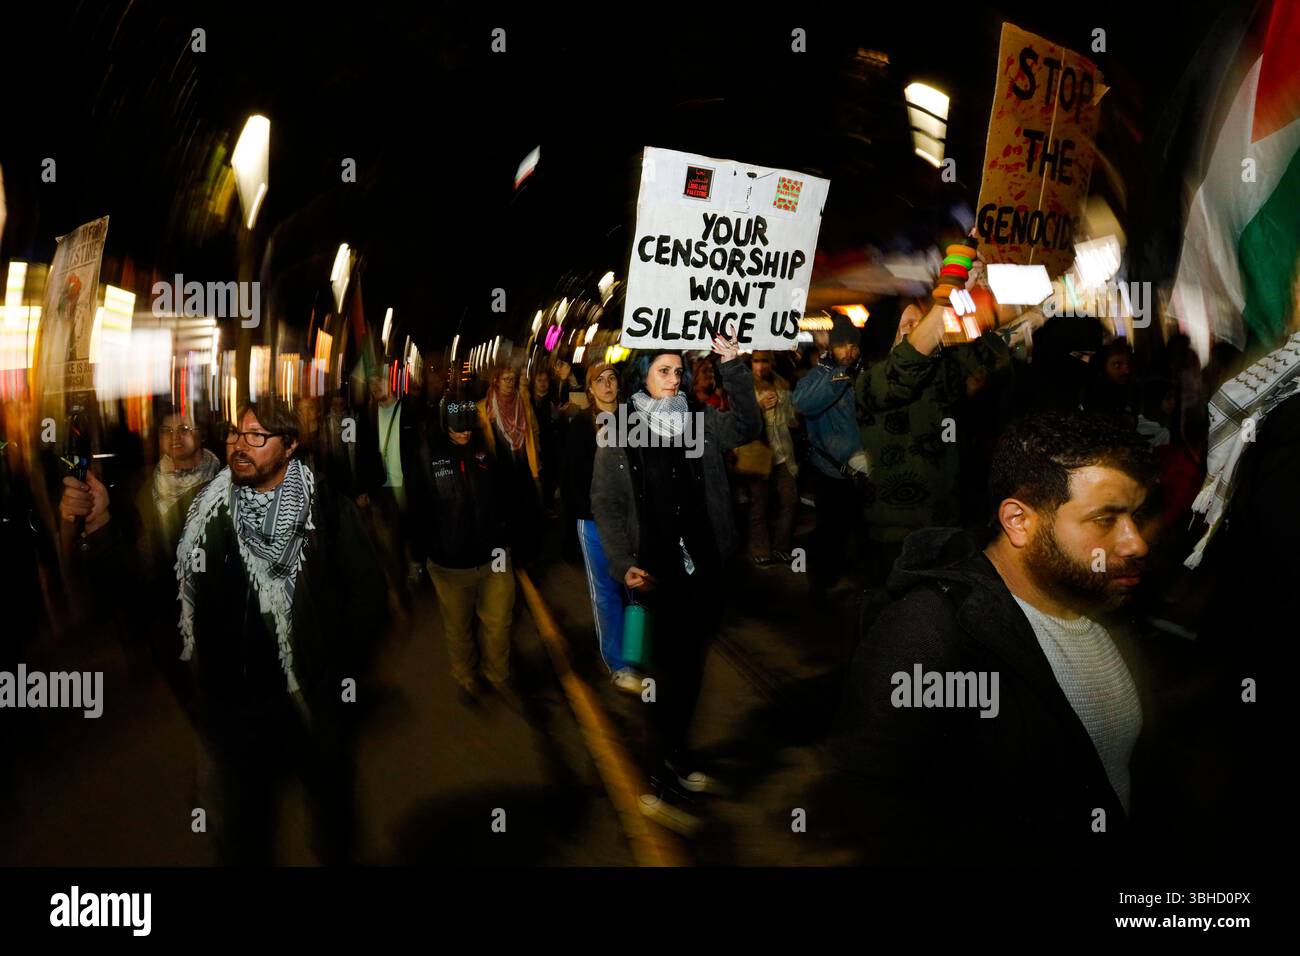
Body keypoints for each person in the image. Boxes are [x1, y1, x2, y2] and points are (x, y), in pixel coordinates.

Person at [830, 411, 1157, 864]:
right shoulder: (929, 632)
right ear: (1018, 521)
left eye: (1136, 516)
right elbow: (880, 807)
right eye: (1105, 519)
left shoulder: (1105, 601)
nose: (1135, 542)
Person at [175, 399, 386, 864]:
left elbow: (367, 599)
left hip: (310, 705)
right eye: (237, 433)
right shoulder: (205, 515)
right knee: (245, 840)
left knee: (333, 825)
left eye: (257, 436)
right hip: (238, 715)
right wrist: (99, 532)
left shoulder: (327, 512)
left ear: (290, 446)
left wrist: (335, 677)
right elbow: (157, 597)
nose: (240, 446)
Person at [590, 334, 761, 834]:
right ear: (641, 376)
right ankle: (655, 781)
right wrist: (622, 562)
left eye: (677, 372)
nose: (672, 379)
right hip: (654, 575)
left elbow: (748, 425)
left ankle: (680, 761)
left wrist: (733, 366)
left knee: (691, 674)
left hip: (702, 571)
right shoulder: (619, 431)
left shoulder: (700, 424)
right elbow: (606, 503)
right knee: (663, 683)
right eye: (662, 371)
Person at [57, 403, 222, 696]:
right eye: (166, 430)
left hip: (215, 630)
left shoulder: (228, 484)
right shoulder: (136, 487)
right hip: (160, 627)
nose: (175, 436)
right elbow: (123, 564)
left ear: (202, 434)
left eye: (184, 428)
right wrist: (98, 522)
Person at [410, 393, 516, 702]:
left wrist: (507, 536)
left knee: (498, 622)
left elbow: (509, 493)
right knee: (458, 627)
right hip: (449, 565)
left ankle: (497, 674)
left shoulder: (488, 448)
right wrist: (421, 555)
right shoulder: (427, 456)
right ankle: (465, 675)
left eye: (468, 425)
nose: (464, 432)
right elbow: (418, 510)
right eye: (457, 426)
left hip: (494, 557)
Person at [560, 361, 640, 691]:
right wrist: (589, 512)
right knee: (606, 592)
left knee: (636, 589)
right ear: (590, 388)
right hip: (593, 523)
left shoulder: (634, 420)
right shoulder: (580, 425)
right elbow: (572, 478)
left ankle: (636, 654)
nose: (607, 385)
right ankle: (618, 663)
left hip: (631, 522)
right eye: (599, 380)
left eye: (611, 379)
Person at [792, 314, 870, 594]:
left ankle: (857, 578)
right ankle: (822, 582)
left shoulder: (864, 375)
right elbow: (802, 403)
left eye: (854, 345)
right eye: (842, 345)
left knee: (859, 528)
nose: (849, 351)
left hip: (863, 473)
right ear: (831, 348)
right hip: (830, 472)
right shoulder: (820, 376)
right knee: (829, 530)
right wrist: (835, 374)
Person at [476, 363, 543, 567]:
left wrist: (537, 459)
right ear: (495, 380)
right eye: (505, 379)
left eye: (511, 379)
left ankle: (529, 560)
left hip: (524, 468)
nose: (509, 383)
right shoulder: (484, 408)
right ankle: (511, 562)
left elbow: (533, 429)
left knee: (529, 516)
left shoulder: (522, 401)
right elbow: (482, 445)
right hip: (501, 473)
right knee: (508, 518)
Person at [746, 350, 799, 567]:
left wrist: (786, 406)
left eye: (764, 361)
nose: (760, 366)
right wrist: (759, 408)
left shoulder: (783, 384)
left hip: (784, 453)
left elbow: (792, 421)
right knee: (760, 505)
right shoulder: (745, 388)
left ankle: (781, 547)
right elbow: (740, 422)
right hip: (758, 453)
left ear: (772, 362)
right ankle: (760, 548)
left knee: (790, 501)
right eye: (756, 361)